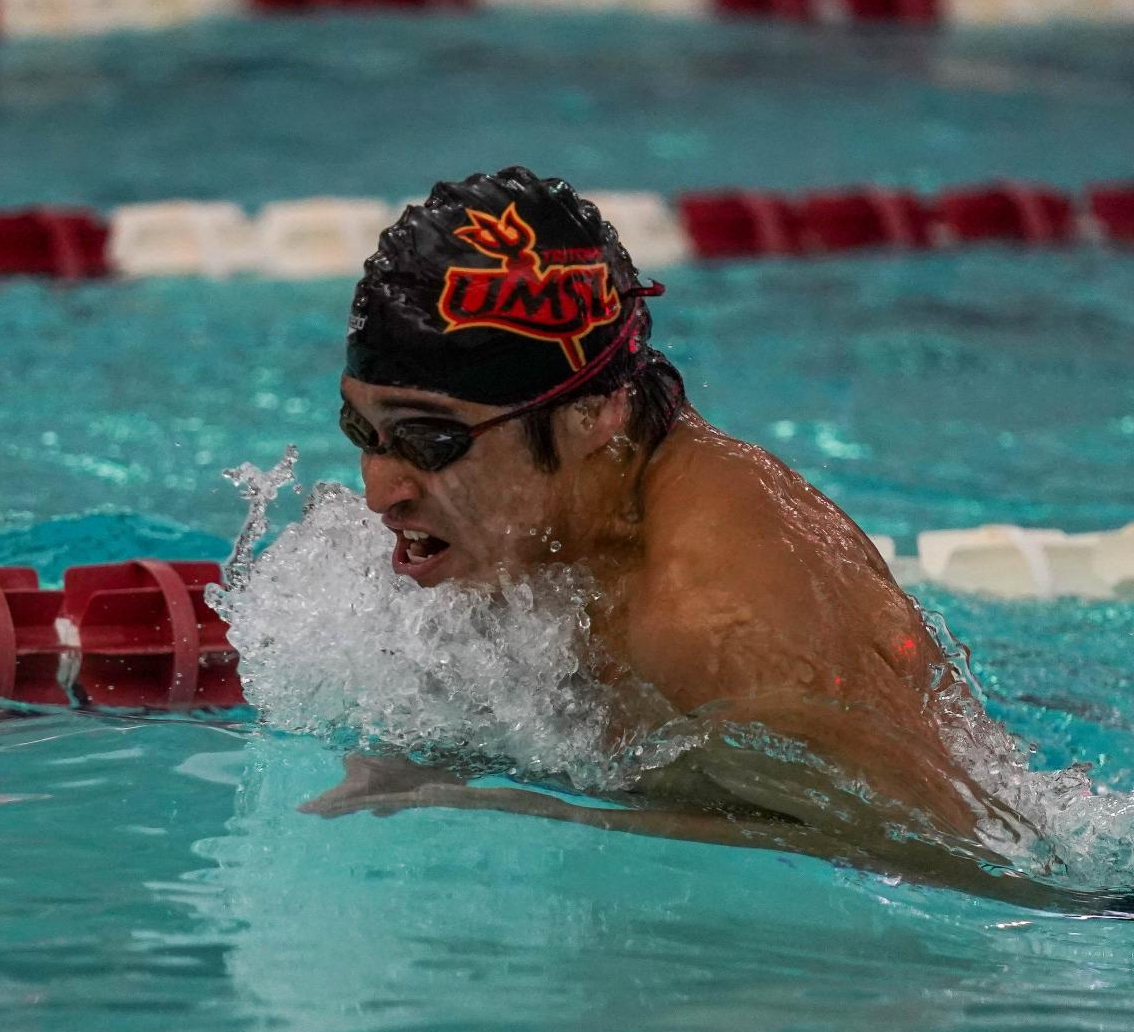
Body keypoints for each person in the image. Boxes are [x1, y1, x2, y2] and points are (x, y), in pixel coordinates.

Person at [314, 165, 1062, 904]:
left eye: (431, 440)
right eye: (363, 430)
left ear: (593, 414)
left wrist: (533, 809)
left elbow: (987, 867)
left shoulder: (717, 624)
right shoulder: (553, 517)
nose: (380, 491)